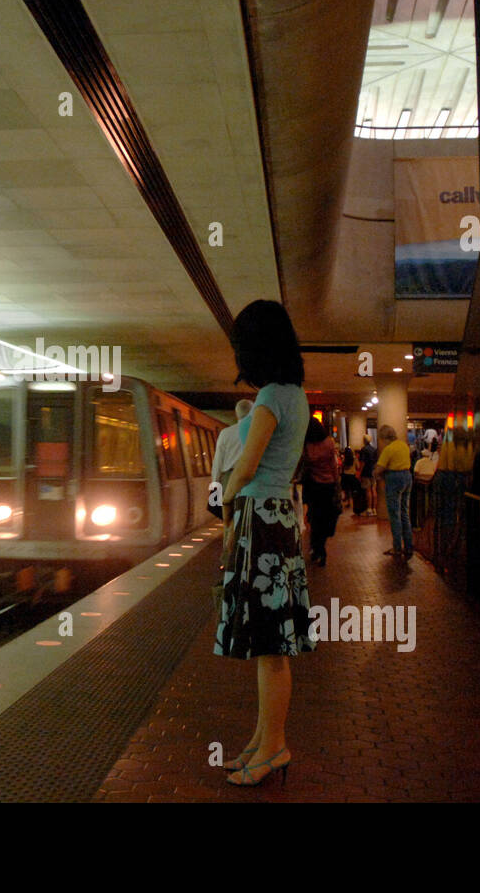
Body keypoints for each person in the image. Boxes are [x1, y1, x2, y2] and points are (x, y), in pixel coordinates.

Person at [215, 299, 313, 787]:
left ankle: (274, 747)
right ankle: (262, 739)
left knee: (270, 648)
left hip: (261, 522)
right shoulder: (295, 394)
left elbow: (247, 465)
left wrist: (226, 502)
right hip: (279, 520)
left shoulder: (273, 394)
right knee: (268, 646)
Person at [300, 417, 340, 566]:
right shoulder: (329, 442)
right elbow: (333, 465)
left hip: (313, 486)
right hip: (328, 485)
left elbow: (304, 465)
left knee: (314, 518)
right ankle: (321, 548)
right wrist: (337, 482)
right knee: (325, 518)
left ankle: (316, 548)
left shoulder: (307, 445)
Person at [207, 399, 254, 518]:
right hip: (252, 477)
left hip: (229, 480)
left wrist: (215, 484)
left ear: (237, 414)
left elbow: (218, 462)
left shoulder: (225, 433)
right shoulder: (257, 433)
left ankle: (230, 534)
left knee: (229, 517)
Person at [373, 424, 413, 559]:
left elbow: (379, 469)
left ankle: (397, 547)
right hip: (407, 477)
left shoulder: (388, 449)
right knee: (404, 513)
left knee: (394, 515)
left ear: (384, 438)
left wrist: (376, 473)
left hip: (394, 478)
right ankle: (409, 546)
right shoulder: (403, 445)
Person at [358, 435, 378, 516]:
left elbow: (362, 462)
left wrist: (359, 473)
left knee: (368, 490)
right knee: (374, 490)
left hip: (366, 472)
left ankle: (369, 509)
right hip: (373, 471)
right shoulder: (374, 449)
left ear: (364, 441)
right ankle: (374, 509)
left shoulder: (364, 449)